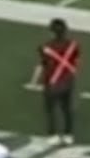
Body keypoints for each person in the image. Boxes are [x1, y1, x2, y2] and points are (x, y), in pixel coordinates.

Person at [29, 17, 80, 145]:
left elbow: (41, 65)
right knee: (67, 109)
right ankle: (68, 135)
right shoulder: (73, 45)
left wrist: (34, 81)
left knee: (51, 110)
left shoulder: (45, 47)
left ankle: (53, 135)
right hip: (67, 81)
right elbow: (76, 62)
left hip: (52, 83)